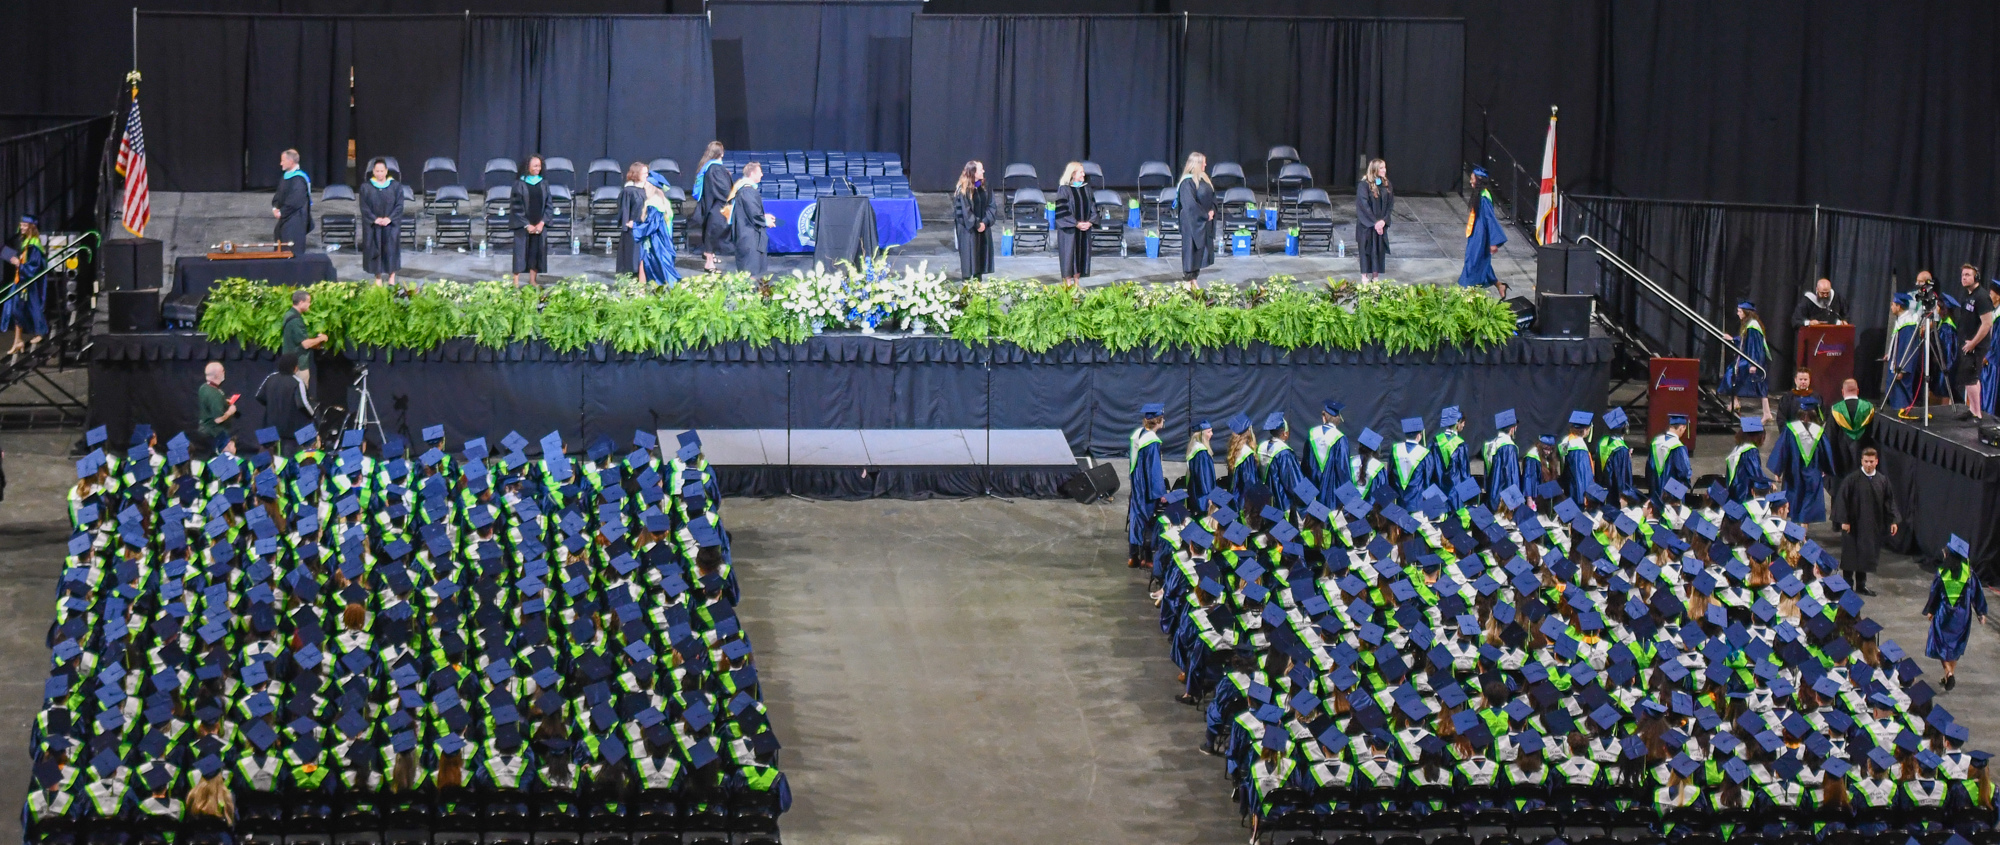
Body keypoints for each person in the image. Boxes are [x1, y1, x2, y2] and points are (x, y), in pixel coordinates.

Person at [1924, 534, 1987, 690]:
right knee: (1955, 645)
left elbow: (1935, 593)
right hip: (1962, 617)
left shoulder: (1942, 572)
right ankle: (1949, 675)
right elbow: (1977, 592)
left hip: (1944, 615)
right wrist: (1981, 612)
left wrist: (1931, 610)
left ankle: (1948, 672)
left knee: (1940, 643)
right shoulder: (1969, 573)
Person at [1834, 447, 1899, 597]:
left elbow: (1889, 502)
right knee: (1850, 556)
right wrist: (1844, 520)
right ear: (1861, 461)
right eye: (1866, 461)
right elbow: (1842, 500)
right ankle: (1847, 585)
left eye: (1871, 461)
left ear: (1876, 462)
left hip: (1871, 525)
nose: (1868, 464)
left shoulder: (1882, 480)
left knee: (1865, 555)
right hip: (1852, 525)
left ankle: (1861, 585)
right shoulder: (1852, 479)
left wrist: (1893, 521)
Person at [1768, 397, 1833, 525]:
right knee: (1809, 499)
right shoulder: (1819, 432)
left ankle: (1795, 529)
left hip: (1794, 471)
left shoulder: (1790, 430)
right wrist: (1825, 468)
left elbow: (1782, 450)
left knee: (1795, 498)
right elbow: (1825, 452)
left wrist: (1777, 471)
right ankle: (1803, 527)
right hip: (1813, 472)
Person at [1457, 166, 1508, 298]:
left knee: (1473, 263)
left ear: (1479, 180)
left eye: (1472, 179)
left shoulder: (1484, 198)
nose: (1470, 181)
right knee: (1482, 262)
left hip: (1481, 236)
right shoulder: (1480, 194)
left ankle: (1468, 294)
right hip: (1476, 233)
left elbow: (1490, 220)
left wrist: (1493, 242)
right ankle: (1500, 285)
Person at [1127, 403, 1167, 569]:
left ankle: (1133, 556)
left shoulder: (1138, 434)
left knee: (1136, 518)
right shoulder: (1152, 442)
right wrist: (1161, 493)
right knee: (1148, 520)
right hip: (1146, 487)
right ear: (1158, 421)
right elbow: (1154, 471)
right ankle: (1147, 558)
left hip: (1137, 484)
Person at [3, 213, 48, 355]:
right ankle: (18, 341)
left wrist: (19, 264)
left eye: (24, 225)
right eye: (21, 225)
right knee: (15, 309)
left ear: (31, 227)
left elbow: (34, 267)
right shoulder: (26, 242)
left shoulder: (34, 245)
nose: (21, 227)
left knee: (29, 307)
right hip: (21, 281)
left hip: (29, 283)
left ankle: (40, 332)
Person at [509, 154, 554, 286]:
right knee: (520, 252)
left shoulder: (543, 183)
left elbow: (549, 205)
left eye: (539, 166)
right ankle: (515, 282)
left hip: (539, 223)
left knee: (536, 251)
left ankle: (533, 280)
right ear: (527, 167)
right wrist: (526, 225)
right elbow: (516, 206)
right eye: (534, 166)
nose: (537, 169)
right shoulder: (519, 184)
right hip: (523, 225)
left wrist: (542, 223)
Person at [1722, 300, 1771, 420]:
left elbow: (1755, 347)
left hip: (1754, 359)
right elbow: (1744, 339)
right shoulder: (1750, 324)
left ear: (1746, 312)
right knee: (1735, 374)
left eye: (1739, 311)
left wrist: (1754, 364)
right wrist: (1732, 339)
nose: (1738, 313)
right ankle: (1736, 401)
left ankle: (1765, 413)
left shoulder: (1753, 327)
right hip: (1749, 358)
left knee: (1733, 373)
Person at [1957, 264, 1995, 417]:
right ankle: (1973, 410)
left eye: (1967, 275)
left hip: (1975, 345)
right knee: (1971, 378)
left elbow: (1987, 324)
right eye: (1962, 275)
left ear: (1976, 277)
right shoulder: (1968, 295)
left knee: (1970, 378)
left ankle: (1977, 414)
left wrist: (1973, 343)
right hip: (1967, 343)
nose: (1964, 278)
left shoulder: (1982, 297)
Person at [357, 157, 402, 284]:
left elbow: (399, 206)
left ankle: (391, 277)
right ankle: (378, 277)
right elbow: (364, 206)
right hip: (374, 225)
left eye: (382, 171)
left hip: (391, 225)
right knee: (375, 249)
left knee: (391, 249)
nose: (380, 173)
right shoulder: (366, 187)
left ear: (386, 171)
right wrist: (374, 219)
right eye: (377, 171)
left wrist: (390, 218)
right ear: (373, 171)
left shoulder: (395, 186)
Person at [254, 357, 314, 452]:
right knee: (292, 456)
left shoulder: (270, 378)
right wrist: (314, 414)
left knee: (266, 456)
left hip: (269, 426)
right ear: (295, 368)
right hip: (291, 429)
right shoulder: (297, 382)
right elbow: (304, 404)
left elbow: (259, 396)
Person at [635, 167, 681, 287]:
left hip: (657, 242)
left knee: (653, 266)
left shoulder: (653, 204)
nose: (644, 187)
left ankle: (643, 290)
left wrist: (635, 227)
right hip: (665, 240)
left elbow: (651, 225)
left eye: (646, 185)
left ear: (651, 187)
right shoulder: (664, 201)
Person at [952, 161, 997, 280]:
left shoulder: (984, 186)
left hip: (983, 228)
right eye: (980, 170)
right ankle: (966, 290)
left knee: (980, 262)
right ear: (973, 173)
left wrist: (985, 222)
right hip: (968, 230)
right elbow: (965, 212)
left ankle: (978, 288)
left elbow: (992, 206)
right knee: (968, 262)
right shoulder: (963, 190)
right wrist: (977, 224)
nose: (983, 171)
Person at [1176, 153, 1216, 284]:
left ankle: (1194, 280)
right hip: (1191, 222)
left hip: (1203, 222)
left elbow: (1212, 197)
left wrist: (1212, 210)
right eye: (1203, 162)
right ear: (1197, 164)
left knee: (1200, 252)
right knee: (1190, 251)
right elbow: (1190, 205)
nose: (1205, 164)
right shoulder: (1187, 183)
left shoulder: (1204, 179)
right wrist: (1205, 215)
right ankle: (1188, 281)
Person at [692, 141, 732, 272]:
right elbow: (724, 190)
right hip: (718, 205)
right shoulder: (716, 169)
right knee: (713, 231)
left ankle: (710, 255)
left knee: (711, 230)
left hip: (710, 203)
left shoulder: (708, 166)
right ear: (721, 153)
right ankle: (709, 264)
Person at [1053, 162, 1094, 285]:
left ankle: (1077, 283)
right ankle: (1068, 284)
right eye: (1081, 172)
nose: (1084, 174)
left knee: (1081, 255)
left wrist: (1090, 222)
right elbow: (1061, 211)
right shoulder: (1064, 190)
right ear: (1073, 174)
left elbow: (1094, 208)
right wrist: (1076, 223)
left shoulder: (1086, 189)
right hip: (1069, 231)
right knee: (1069, 256)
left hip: (1084, 229)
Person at [728, 162, 771, 279]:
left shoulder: (744, 190)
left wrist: (763, 216)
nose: (762, 174)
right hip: (749, 238)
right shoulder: (747, 191)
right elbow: (754, 215)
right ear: (752, 173)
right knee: (750, 272)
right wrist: (765, 221)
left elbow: (748, 212)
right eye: (760, 172)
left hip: (747, 235)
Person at [1828, 377, 1875, 482]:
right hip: (1863, 455)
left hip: (1841, 458)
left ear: (1842, 391)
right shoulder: (1868, 408)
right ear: (1857, 391)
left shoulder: (1836, 410)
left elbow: (1831, 437)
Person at [279, 289, 327, 387]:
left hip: (289, 363)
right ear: (301, 302)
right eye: (308, 302)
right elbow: (305, 344)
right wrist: (321, 338)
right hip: (298, 365)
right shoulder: (296, 320)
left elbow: (297, 340)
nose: (309, 304)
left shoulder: (288, 315)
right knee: (301, 392)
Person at [1355, 158, 1393, 282]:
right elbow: (1364, 205)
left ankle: (1375, 278)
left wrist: (1383, 221)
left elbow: (1390, 205)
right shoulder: (1364, 185)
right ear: (1374, 169)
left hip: (1380, 224)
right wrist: (1375, 222)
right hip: (1367, 226)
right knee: (1366, 250)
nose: (1384, 170)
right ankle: (1364, 278)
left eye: (1384, 167)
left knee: (1378, 250)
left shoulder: (1386, 184)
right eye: (1381, 168)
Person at [1885, 292, 1924, 413]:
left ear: (1899, 306)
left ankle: (1902, 418)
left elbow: (1908, 348)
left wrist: (1902, 369)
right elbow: (1898, 343)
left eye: (1893, 304)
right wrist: (1890, 353)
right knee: (1895, 396)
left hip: (1902, 366)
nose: (1891, 307)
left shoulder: (1908, 324)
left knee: (1901, 398)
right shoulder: (1902, 320)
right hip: (1897, 363)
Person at [1596, 407, 1640, 512]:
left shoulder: (1602, 442)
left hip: (1602, 490)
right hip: (1615, 494)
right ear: (1625, 429)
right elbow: (1622, 477)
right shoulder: (1621, 449)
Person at [1305, 400, 1349, 505]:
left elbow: (1306, 464)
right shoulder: (1340, 438)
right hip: (1332, 492)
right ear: (1338, 420)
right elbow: (1343, 469)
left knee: (1313, 513)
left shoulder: (1312, 433)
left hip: (1312, 486)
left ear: (1324, 417)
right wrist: (1348, 499)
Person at [270, 148, 313, 250]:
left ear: (291, 161)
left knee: (291, 247)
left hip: (295, 219)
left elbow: (295, 201)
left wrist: (281, 212)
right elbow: (279, 194)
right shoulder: (286, 176)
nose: (281, 163)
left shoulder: (299, 179)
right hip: (285, 217)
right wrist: (275, 207)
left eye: (283, 160)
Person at [1649, 413, 1692, 511]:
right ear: (1681, 427)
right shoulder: (1678, 447)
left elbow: (1649, 468)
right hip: (1673, 492)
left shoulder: (1655, 442)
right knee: (1672, 516)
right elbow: (1684, 472)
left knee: (1656, 514)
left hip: (1655, 488)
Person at [1724, 416, 1772, 503]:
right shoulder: (1751, 451)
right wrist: (1769, 484)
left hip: (1734, 491)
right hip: (1744, 492)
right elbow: (1756, 472)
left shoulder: (1738, 448)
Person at [1482, 408, 1521, 509]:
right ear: (1512, 429)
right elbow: (1511, 476)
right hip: (1503, 502)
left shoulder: (1491, 444)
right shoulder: (1508, 447)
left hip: (1492, 497)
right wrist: (1515, 503)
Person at [195, 362, 237, 449]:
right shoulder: (215, 394)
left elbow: (208, 404)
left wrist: (223, 402)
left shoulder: (204, 387)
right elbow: (218, 419)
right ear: (217, 375)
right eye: (222, 371)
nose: (224, 372)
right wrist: (230, 411)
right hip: (216, 432)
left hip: (205, 428)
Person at [616, 161, 647, 277]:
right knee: (632, 252)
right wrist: (626, 224)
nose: (647, 175)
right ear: (636, 174)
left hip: (645, 225)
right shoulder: (628, 191)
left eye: (647, 173)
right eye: (644, 173)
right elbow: (625, 208)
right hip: (633, 227)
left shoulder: (647, 189)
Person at [1184, 418, 1215, 507]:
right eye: (1209, 432)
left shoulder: (1195, 447)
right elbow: (1203, 477)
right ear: (1201, 435)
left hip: (1196, 492)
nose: (1212, 434)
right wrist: (1209, 496)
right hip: (1203, 496)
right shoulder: (1201, 453)